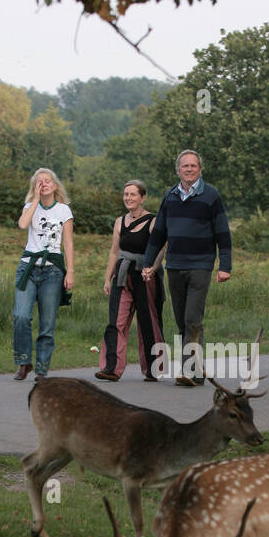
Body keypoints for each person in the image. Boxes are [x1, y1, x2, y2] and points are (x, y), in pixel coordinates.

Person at [142, 150, 231, 385]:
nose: (189, 169)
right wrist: (148, 263)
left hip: (201, 265)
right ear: (178, 170)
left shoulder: (210, 196)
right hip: (175, 266)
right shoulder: (170, 196)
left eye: (193, 166)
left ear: (200, 169)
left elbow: (223, 232)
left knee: (193, 318)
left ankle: (188, 370)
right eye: (185, 166)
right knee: (183, 320)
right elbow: (159, 233)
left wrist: (225, 265)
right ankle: (197, 370)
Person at [95, 181, 166, 382]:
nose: (128, 198)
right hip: (122, 275)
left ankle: (153, 369)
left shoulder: (153, 220)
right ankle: (111, 368)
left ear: (142, 198)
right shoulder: (119, 222)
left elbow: (161, 248)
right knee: (116, 320)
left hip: (144, 275)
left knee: (148, 322)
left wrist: (152, 268)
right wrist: (107, 278)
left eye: (133, 194)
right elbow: (114, 251)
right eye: (125, 194)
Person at [13, 168, 74, 381]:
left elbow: (67, 242)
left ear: (55, 186)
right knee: (21, 316)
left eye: (47, 181)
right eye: (39, 182)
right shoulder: (30, 207)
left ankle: (41, 369)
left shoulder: (64, 210)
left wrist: (71, 272)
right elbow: (22, 224)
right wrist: (36, 199)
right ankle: (23, 361)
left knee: (47, 324)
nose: (44, 184)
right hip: (28, 268)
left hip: (53, 271)